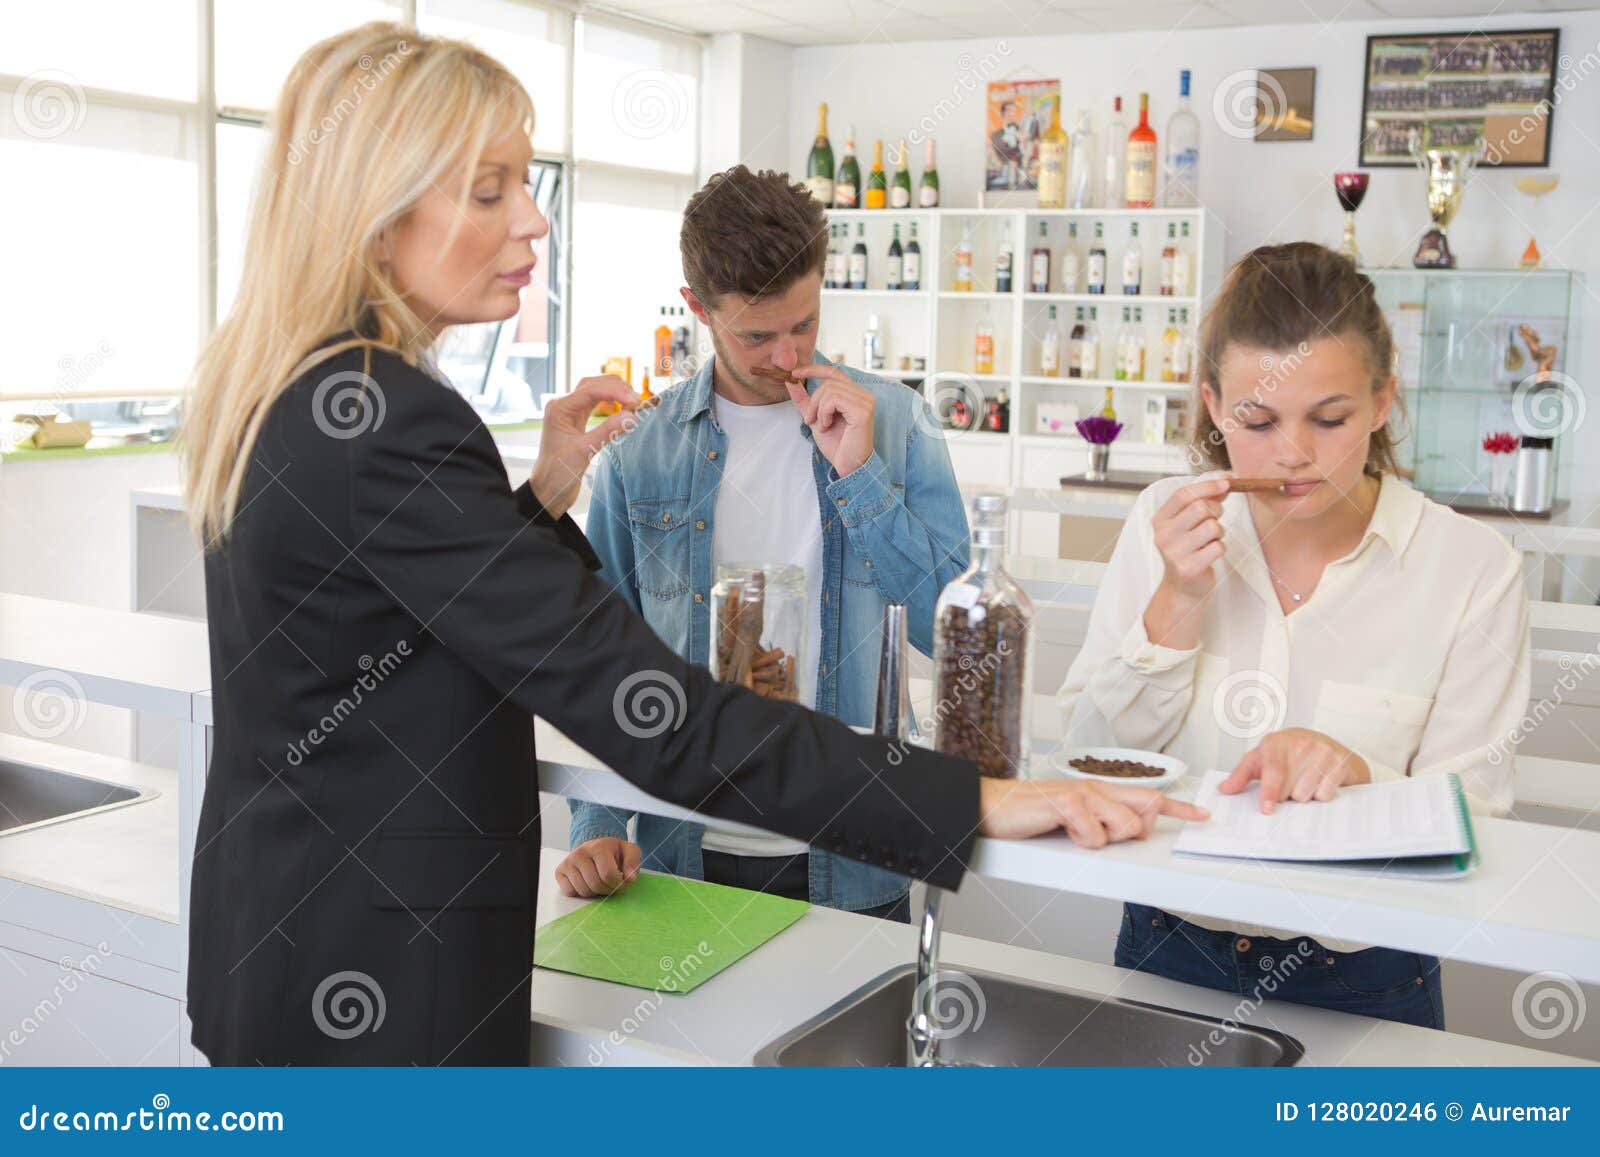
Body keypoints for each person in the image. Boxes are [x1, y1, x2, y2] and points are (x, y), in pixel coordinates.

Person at [180, 22, 1206, 1066]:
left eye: (523, 183)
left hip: (294, 954)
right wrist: (969, 795)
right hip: (369, 990)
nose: (534, 219)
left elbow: (431, 622)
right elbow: (643, 699)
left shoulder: (307, 386)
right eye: (488, 190)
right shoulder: (392, 415)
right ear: (372, 209)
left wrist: (537, 499)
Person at [1059, 242, 1531, 1030]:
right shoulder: (1163, 524)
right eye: (1257, 419)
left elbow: (1477, 825)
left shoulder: (1474, 569)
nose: (1293, 454)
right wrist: (1178, 597)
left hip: (1371, 978)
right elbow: (1088, 756)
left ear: (1383, 400)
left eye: (1330, 417)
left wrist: (1361, 771)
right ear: (1213, 405)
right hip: (1166, 949)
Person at [559, 166, 969, 923]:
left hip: (855, 850)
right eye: (757, 334)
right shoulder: (638, 449)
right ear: (698, 309)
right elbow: (600, 659)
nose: (787, 355)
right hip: (679, 853)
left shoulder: (902, 424)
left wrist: (862, 479)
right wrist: (597, 822)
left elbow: (951, 629)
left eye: (804, 324)